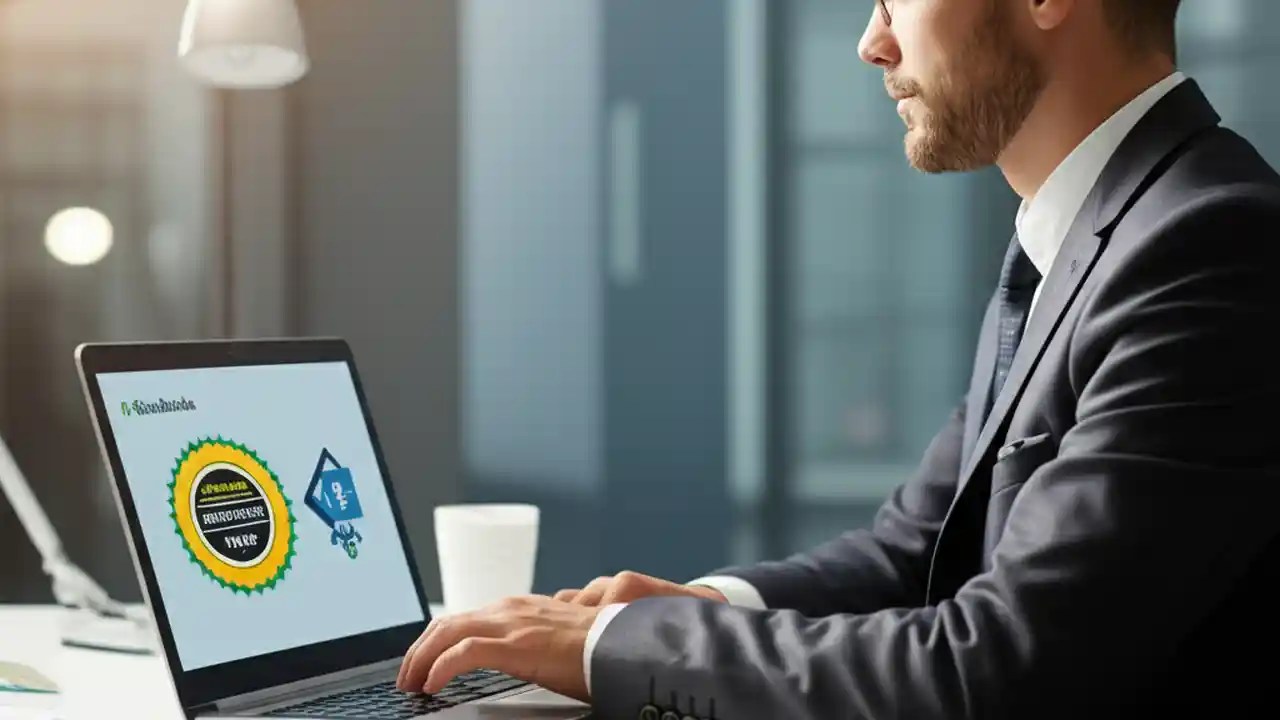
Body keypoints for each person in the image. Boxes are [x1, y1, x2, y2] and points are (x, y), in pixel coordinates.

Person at [398, 0, 1280, 716]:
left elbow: (1005, 664)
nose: (872, 41)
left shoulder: (1207, 244)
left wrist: (606, 650)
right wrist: (698, 609)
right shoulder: (1079, 240)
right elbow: (916, 549)